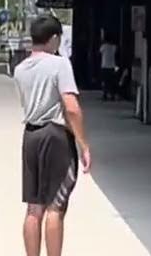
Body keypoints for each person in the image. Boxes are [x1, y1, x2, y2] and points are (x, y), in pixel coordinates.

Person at [13, 15, 92, 256]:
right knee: (56, 207)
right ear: (54, 38)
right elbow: (71, 106)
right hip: (56, 137)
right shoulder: (59, 64)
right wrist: (83, 144)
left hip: (31, 136)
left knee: (33, 209)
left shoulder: (20, 68)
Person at [98, 34, 119, 101]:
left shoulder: (103, 46)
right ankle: (112, 95)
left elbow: (100, 52)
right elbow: (116, 53)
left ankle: (105, 95)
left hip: (104, 66)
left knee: (105, 81)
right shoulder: (114, 47)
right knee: (111, 82)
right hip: (112, 66)